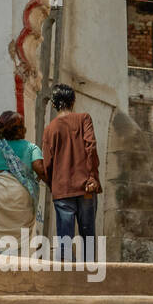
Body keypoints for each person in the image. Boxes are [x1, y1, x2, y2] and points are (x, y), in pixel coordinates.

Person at [0, 111, 45, 253]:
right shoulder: (31, 148)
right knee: (25, 231)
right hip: (20, 193)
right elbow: (39, 168)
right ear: (22, 129)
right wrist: (44, 181)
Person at [41, 83, 101, 252]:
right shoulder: (84, 119)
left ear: (53, 104)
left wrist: (54, 185)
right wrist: (92, 178)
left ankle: (66, 276)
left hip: (62, 190)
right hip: (86, 189)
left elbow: (47, 163)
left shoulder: (49, 129)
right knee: (88, 238)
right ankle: (89, 275)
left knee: (65, 243)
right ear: (73, 101)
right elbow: (91, 147)